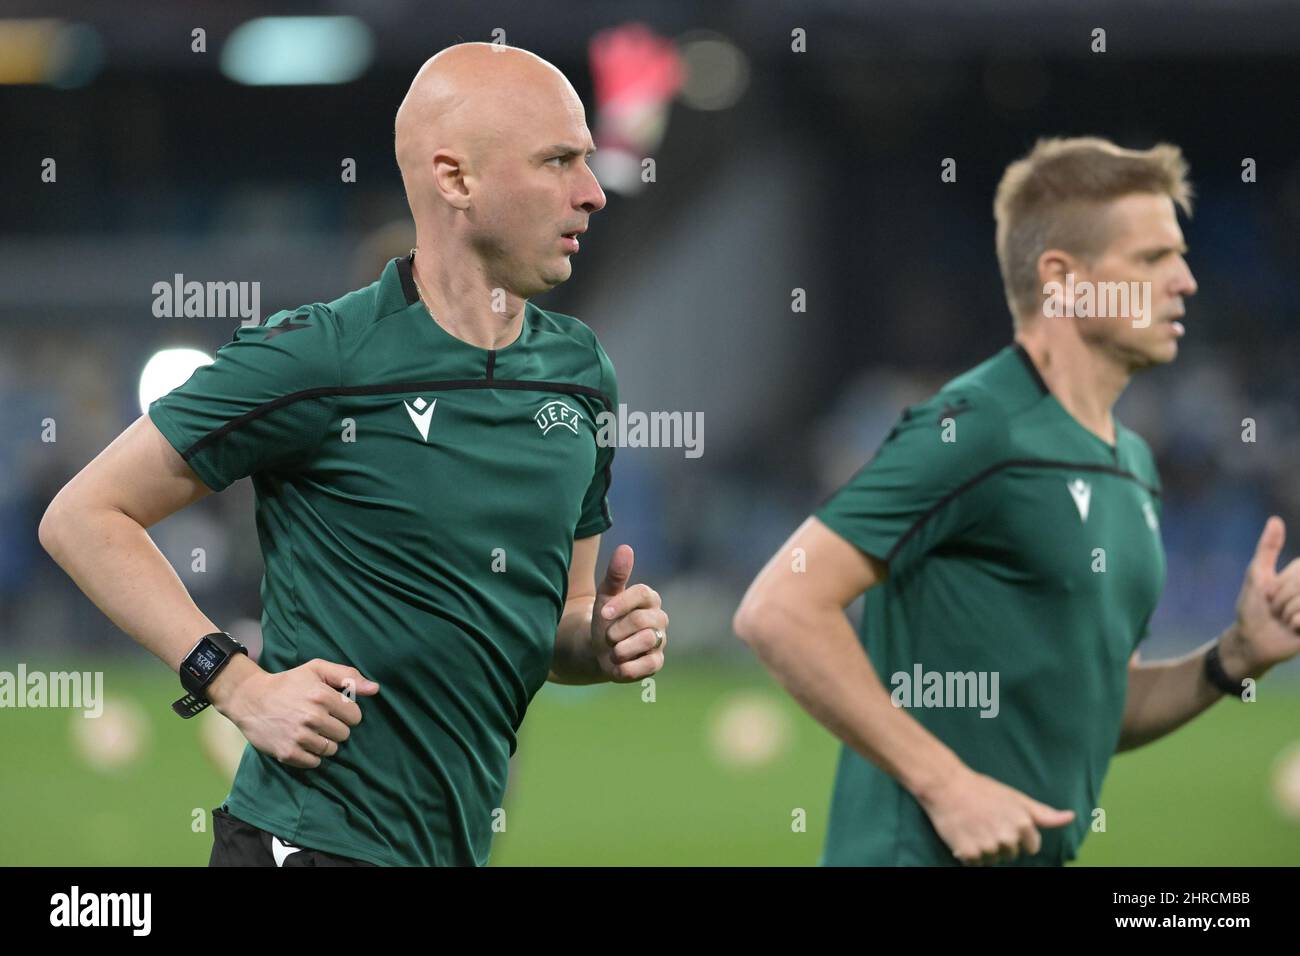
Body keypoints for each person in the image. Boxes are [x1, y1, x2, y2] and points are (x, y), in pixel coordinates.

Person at [39, 42, 669, 867]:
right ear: (455, 180)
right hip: (304, 846)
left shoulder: (582, 375)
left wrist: (601, 642)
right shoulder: (322, 356)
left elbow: (558, 623)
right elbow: (83, 516)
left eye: (587, 161)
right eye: (557, 161)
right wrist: (235, 684)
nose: (591, 192)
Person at [733, 136, 1300, 866]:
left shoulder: (1130, 463)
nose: (1187, 280)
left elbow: (1092, 705)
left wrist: (1234, 659)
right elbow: (778, 609)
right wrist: (948, 786)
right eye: (1153, 259)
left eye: (1182, 256)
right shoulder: (977, 425)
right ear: (1062, 279)